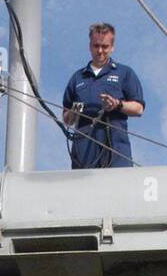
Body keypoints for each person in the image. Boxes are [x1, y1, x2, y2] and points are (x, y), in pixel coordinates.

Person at [61, 23, 145, 169]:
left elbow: (138, 109)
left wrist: (118, 105)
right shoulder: (77, 77)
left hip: (115, 151)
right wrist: (74, 112)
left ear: (112, 47)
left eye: (105, 46)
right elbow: (66, 119)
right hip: (84, 152)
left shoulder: (124, 73)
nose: (100, 51)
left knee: (118, 190)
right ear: (90, 46)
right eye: (96, 46)